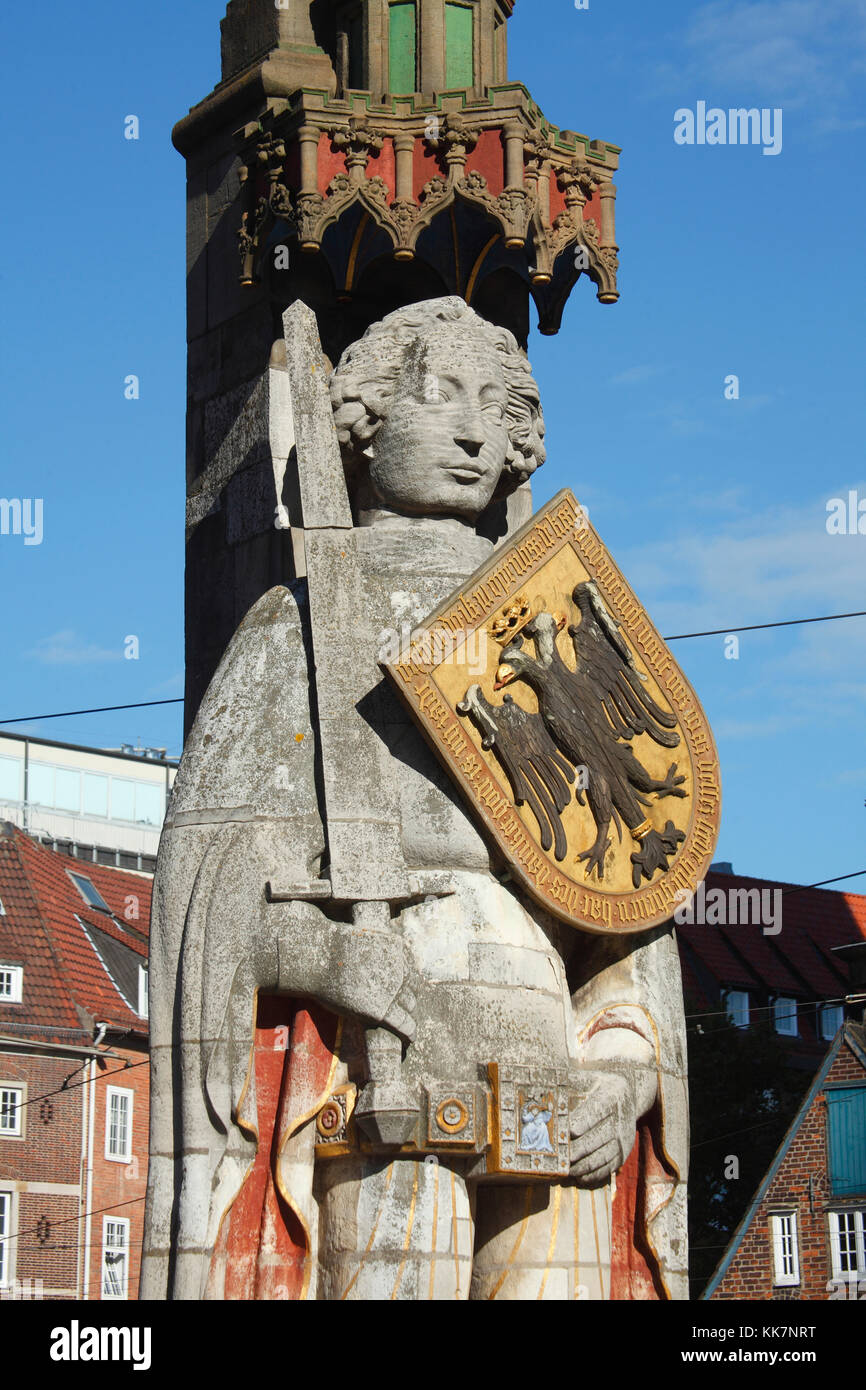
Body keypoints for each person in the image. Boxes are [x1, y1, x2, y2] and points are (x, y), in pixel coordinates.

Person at [142, 298, 688, 1302]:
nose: (475, 430)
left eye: (496, 405)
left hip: (556, 1090)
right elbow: (204, 897)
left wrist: (622, 1078)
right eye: (439, 397)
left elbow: (626, 915)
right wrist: (327, 955)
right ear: (364, 417)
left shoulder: (556, 624)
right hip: (387, 1074)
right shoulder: (293, 626)